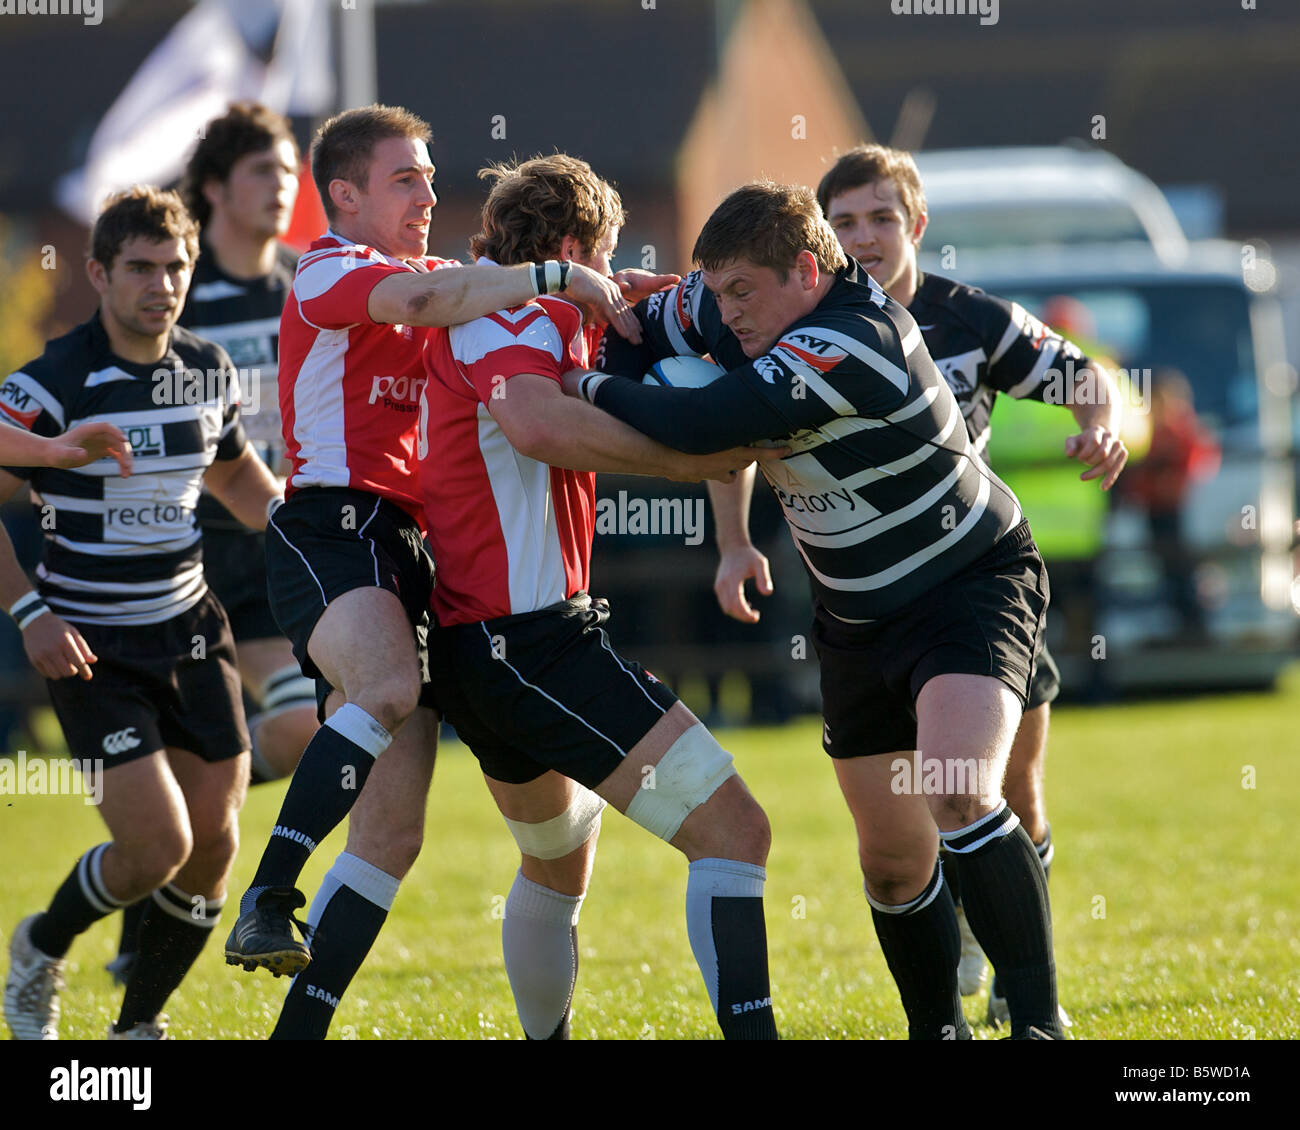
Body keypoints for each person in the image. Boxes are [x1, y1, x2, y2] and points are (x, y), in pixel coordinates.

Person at [567, 180, 1067, 1039]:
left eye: (741, 295)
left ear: (805, 271)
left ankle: (1036, 1018)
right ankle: (936, 1029)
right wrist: (626, 361)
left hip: (967, 584)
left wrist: (582, 390)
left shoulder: (856, 339)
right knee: (892, 862)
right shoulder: (732, 297)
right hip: (856, 614)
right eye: (715, 294)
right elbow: (637, 330)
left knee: (957, 790)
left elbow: (703, 422)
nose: (723, 314)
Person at [223, 104, 649, 1014]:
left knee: (389, 836)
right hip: (334, 529)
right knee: (384, 692)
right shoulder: (328, 266)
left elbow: (485, 297)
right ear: (343, 194)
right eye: (403, 178)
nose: (428, 193)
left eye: (428, 174)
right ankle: (265, 894)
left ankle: (295, 1031)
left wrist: (624, 288)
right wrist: (556, 272)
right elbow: (425, 303)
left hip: (414, 546)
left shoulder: (446, 276)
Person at [417, 155, 781, 1040]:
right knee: (736, 835)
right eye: (607, 253)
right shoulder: (519, 314)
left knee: (554, 865)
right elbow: (538, 425)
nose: (614, 274)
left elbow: (689, 314)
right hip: (529, 643)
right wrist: (682, 459)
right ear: (576, 245)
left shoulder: (519, 307)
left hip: (488, 645)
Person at [811, 144, 1127, 1022]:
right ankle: (951, 976)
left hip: (975, 588)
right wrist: (731, 544)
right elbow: (741, 439)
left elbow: (1084, 376)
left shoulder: (969, 317)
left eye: (881, 217)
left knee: (1006, 795)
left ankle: (1018, 971)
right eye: (844, 222)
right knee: (914, 814)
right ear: (824, 235)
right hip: (872, 605)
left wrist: (1099, 427)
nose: (864, 235)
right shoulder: (814, 322)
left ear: (915, 224)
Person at [1, 186, 282, 1039]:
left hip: (194, 633)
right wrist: (29, 614)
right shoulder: (51, 382)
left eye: (176, 268)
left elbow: (234, 475)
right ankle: (38, 949)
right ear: (97, 273)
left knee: (213, 848)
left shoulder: (206, 367)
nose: (161, 285)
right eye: (140, 268)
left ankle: (137, 1029)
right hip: (91, 643)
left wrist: (315, 530)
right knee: (154, 848)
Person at [104, 101, 318, 989]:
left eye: (288, 170)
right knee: (271, 740)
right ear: (217, 187)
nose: (282, 186)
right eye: (263, 171)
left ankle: (176, 841)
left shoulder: (311, 283)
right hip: (190, 555)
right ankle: (165, 861)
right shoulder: (176, 295)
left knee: (306, 732)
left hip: (278, 542)